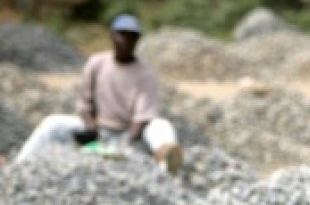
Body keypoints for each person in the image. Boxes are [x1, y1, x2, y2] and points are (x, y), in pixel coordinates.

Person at [13, 13, 183, 173]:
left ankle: (166, 167)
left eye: (131, 36)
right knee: (52, 123)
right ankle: (17, 167)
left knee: (161, 125)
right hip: (97, 130)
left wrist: (126, 143)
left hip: (129, 133)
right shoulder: (96, 63)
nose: (125, 40)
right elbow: (85, 103)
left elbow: (143, 116)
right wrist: (92, 130)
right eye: (121, 34)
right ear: (112, 36)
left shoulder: (145, 74)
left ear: (137, 40)